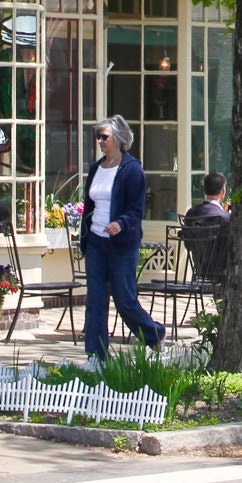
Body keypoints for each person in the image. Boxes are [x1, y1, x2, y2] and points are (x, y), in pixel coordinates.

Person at [80, 115, 164, 364]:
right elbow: (90, 204)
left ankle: (153, 333)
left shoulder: (131, 169)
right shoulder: (96, 168)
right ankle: (96, 356)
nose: (100, 142)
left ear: (118, 138)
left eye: (104, 137)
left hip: (121, 244)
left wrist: (120, 224)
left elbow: (136, 210)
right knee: (95, 300)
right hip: (96, 240)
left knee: (124, 299)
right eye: (98, 137)